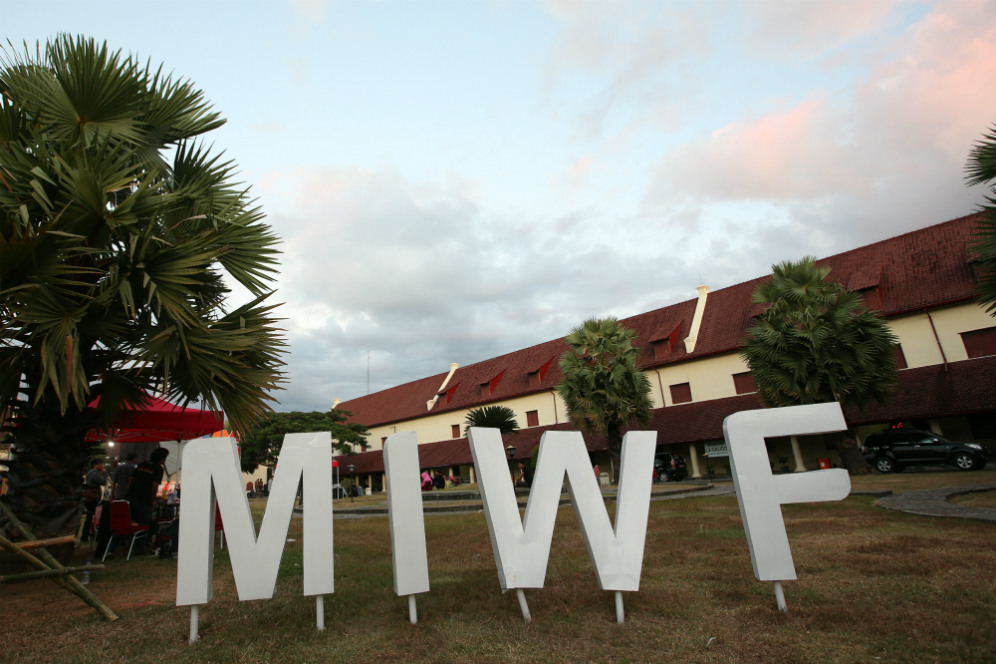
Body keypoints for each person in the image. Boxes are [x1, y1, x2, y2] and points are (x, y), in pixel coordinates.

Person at [81, 458, 106, 541]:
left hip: (89, 497)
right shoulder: (95, 474)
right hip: (93, 498)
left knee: (89, 517)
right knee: (90, 517)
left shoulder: (90, 473)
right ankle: (85, 536)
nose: (102, 465)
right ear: (95, 465)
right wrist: (104, 473)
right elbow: (103, 482)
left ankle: (86, 535)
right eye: (100, 464)